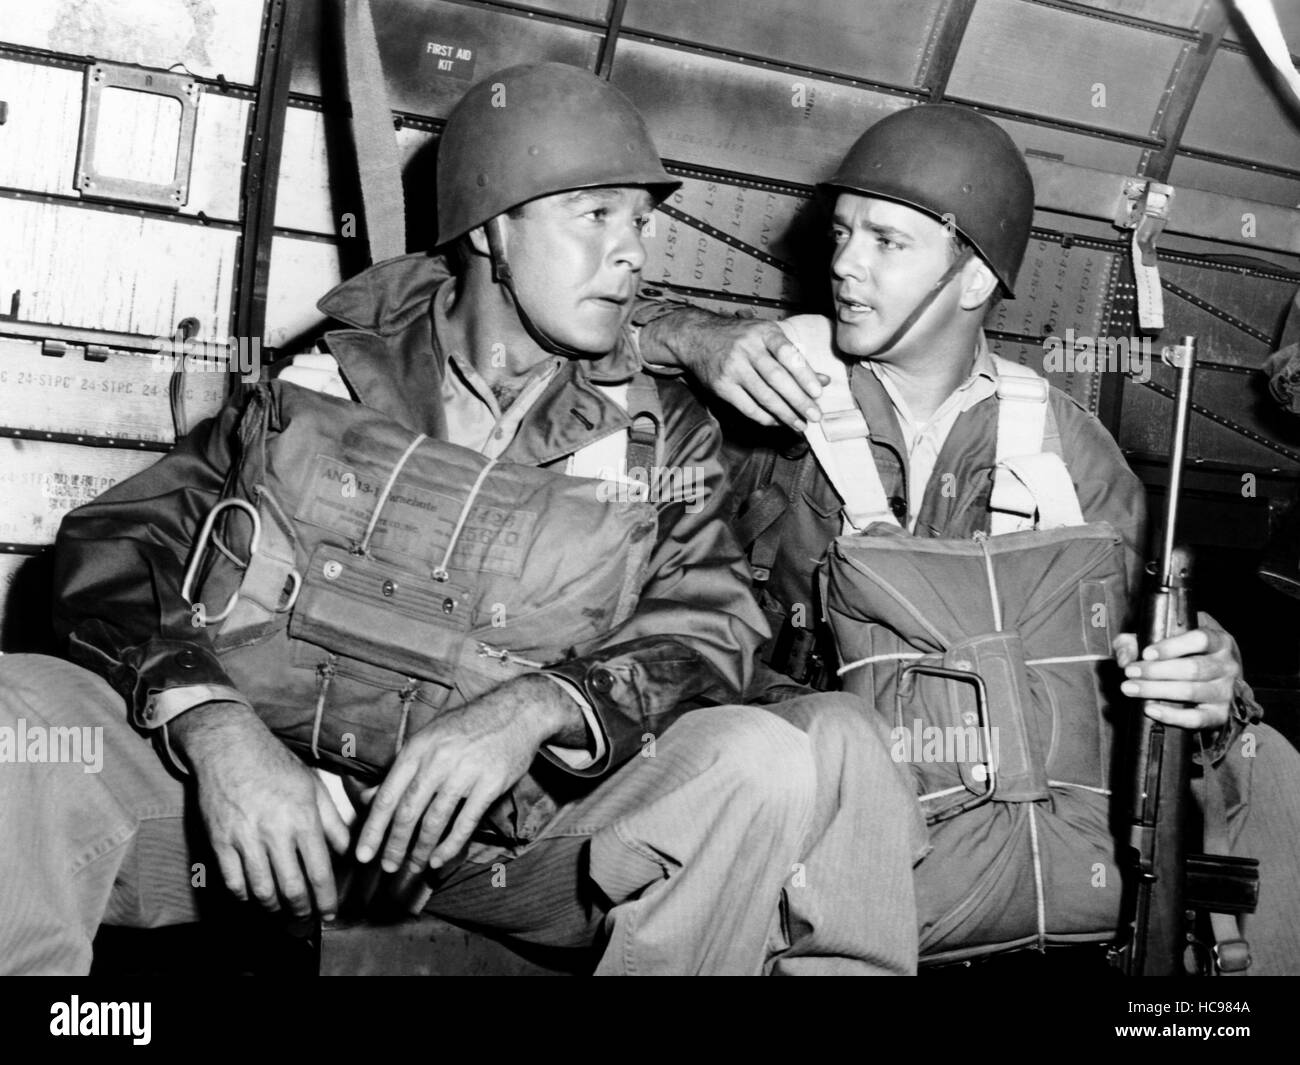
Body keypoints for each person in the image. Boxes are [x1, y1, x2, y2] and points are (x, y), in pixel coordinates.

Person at [0, 62, 923, 976]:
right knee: (21, 713)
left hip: (517, 848)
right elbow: (122, 544)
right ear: (491, 230)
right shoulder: (323, 380)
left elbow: (708, 626)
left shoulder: (658, 437)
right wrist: (214, 725)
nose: (635, 250)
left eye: (641, 221)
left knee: (762, 759)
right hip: (292, 817)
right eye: (594, 215)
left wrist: (535, 708)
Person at [634, 103, 1300, 973]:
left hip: (1020, 805)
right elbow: (546, 322)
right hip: (824, 787)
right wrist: (688, 334)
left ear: (976, 278)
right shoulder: (766, 393)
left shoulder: (1065, 446)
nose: (843, 266)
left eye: (886, 241)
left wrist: (1212, 676)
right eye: (841, 234)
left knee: (1268, 763)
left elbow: (1148, 645)